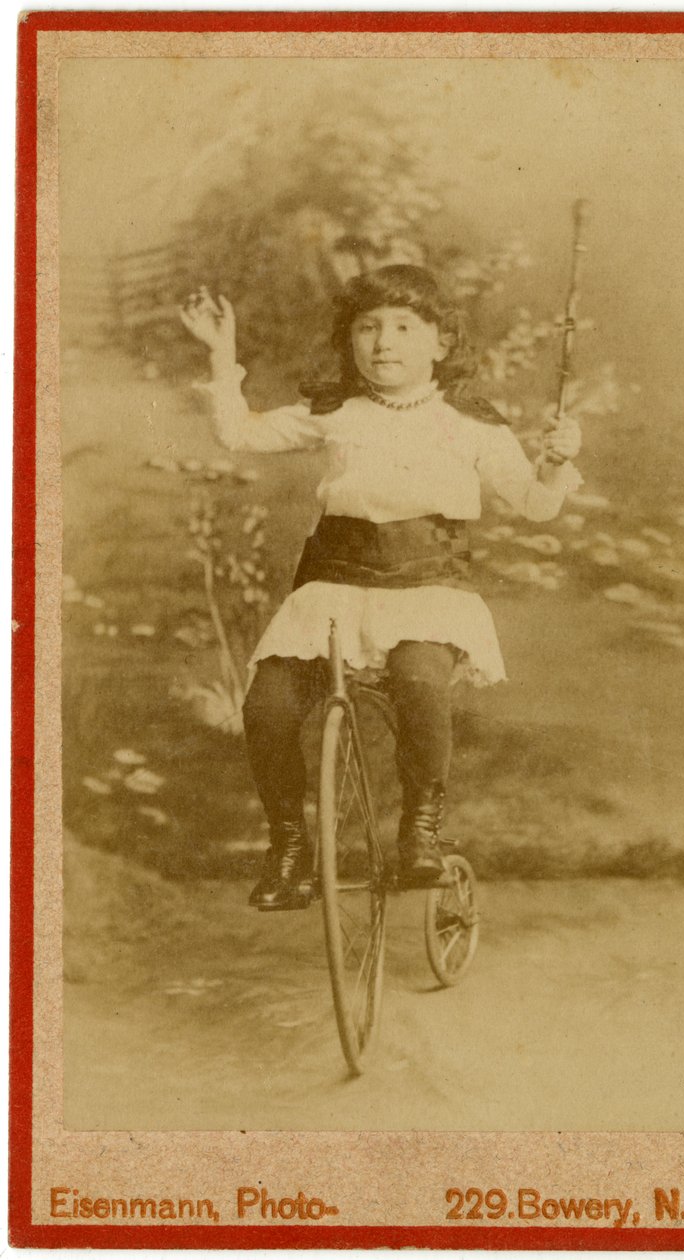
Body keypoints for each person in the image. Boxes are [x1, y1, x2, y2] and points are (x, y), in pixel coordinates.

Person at [180, 264, 581, 910]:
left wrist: (557, 461)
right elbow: (238, 432)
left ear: (439, 343)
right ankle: (289, 845)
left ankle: (418, 832)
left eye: (403, 327)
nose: (383, 342)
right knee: (267, 708)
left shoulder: (472, 423)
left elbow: (535, 503)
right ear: (350, 340)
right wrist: (221, 353)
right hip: (332, 587)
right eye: (367, 328)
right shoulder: (336, 413)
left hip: (428, 588)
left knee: (419, 680)